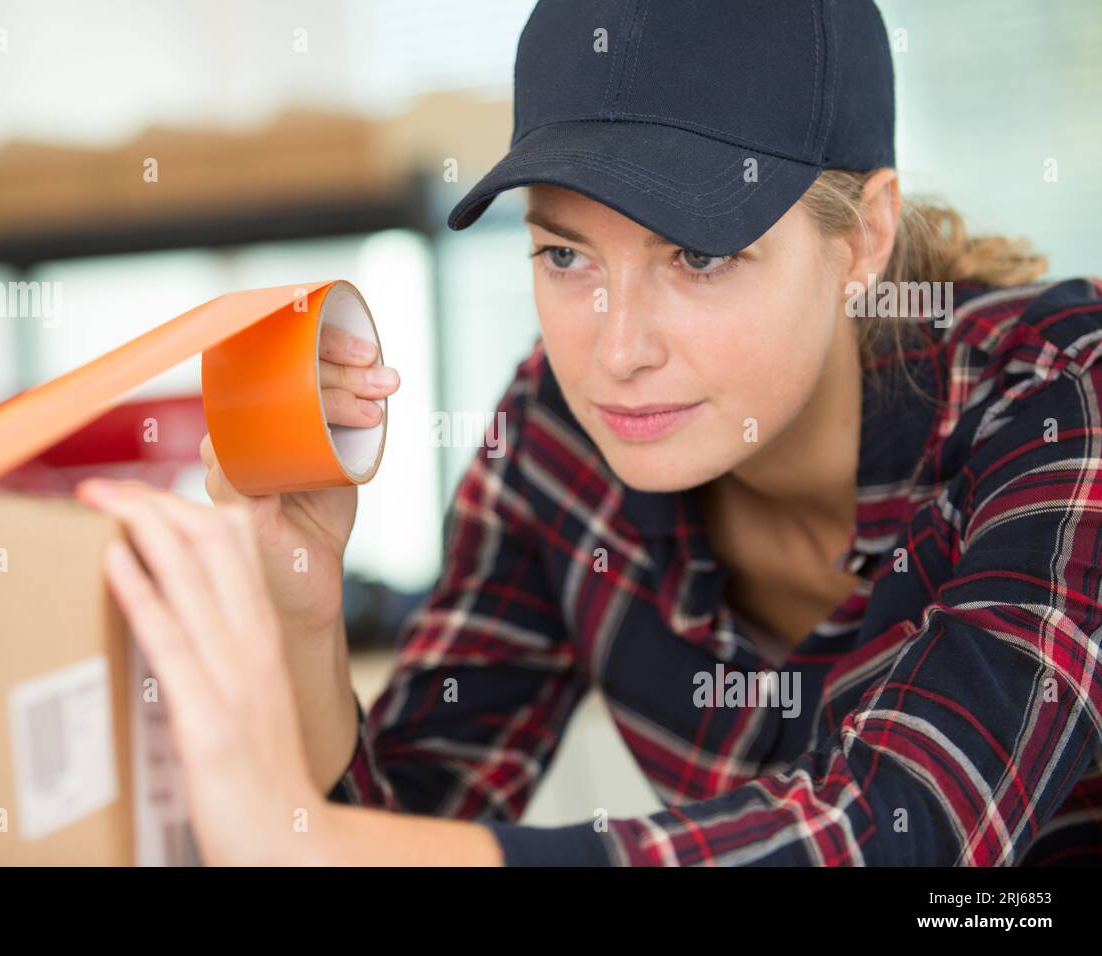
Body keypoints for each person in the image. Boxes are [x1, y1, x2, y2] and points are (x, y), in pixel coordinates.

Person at [76, 0, 1102, 865]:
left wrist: (298, 840)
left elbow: (899, 828)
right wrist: (303, 614)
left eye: (697, 257)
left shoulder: (1064, 399)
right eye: (566, 257)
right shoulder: (555, 443)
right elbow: (408, 831)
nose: (614, 352)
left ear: (863, 239)